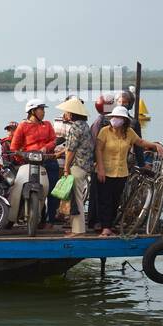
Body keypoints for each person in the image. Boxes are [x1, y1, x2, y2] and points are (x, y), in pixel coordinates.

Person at [94, 104, 163, 235]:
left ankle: (111, 225)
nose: (116, 119)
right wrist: (100, 168)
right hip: (105, 171)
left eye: (119, 117)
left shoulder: (129, 133)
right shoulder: (104, 131)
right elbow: (98, 149)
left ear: (125, 121)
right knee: (105, 200)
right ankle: (105, 227)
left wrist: (155, 145)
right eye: (114, 117)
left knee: (116, 200)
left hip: (121, 172)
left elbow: (141, 143)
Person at [9, 99, 61, 226]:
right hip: (31, 163)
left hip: (48, 161)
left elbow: (54, 141)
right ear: (32, 111)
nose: (43, 112)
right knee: (19, 188)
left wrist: (45, 148)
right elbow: (14, 147)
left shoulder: (47, 125)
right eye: (41, 109)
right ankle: (13, 217)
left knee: (52, 191)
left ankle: (50, 220)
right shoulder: (23, 126)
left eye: (43, 109)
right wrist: (21, 154)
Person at [57, 97, 95, 235]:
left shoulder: (75, 127)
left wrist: (66, 168)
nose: (65, 114)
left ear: (72, 113)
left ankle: (78, 231)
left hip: (78, 166)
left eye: (67, 112)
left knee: (76, 198)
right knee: (75, 197)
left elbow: (71, 150)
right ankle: (75, 228)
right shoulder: (84, 125)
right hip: (86, 165)